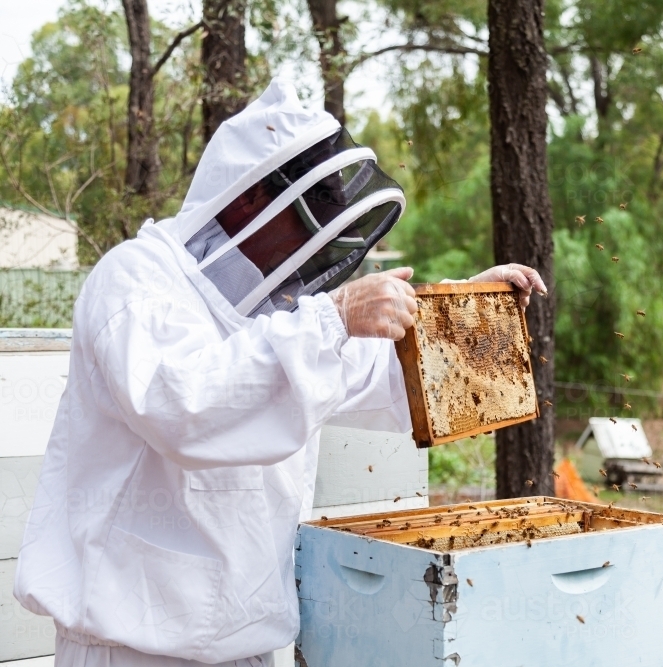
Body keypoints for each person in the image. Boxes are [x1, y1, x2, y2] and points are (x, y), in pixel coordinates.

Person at [14, 78, 546, 667]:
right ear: (248, 200)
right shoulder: (136, 281)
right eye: (306, 217)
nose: (314, 240)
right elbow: (184, 406)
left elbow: (383, 376)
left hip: (250, 643)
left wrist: (465, 322)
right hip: (131, 650)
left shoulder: (281, 313)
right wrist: (335, 315)